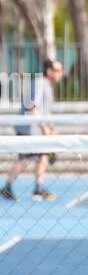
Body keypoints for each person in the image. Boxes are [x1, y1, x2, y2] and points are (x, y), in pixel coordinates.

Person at [1, 58, 63, 202]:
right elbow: (32, 107)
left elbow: (46, 111)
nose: (61, 73)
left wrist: (52, 128)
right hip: (27, 128)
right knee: (24, 158)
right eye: (58, 70)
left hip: (35, 129)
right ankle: (9, 187)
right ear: (49, 71)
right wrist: (44, 128)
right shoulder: (39, 83)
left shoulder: (48, 86)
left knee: (42, 156)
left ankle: (37, 188)